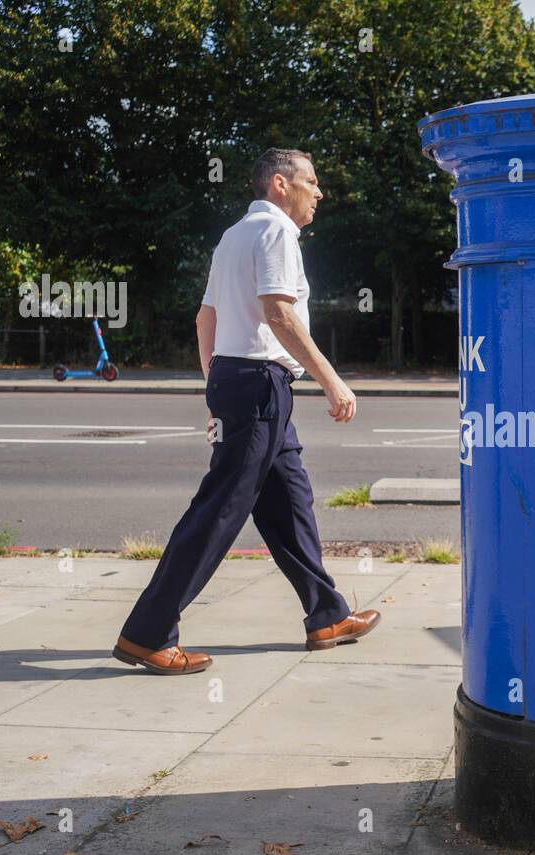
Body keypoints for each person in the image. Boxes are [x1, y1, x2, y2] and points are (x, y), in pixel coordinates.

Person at [112, 148, 380, 675]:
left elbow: (204, 318)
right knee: (219, 510)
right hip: (260, 384)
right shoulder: (277, 232)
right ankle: (147, 633)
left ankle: (326, 614)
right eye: (312, 182)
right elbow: (278, 313)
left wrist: (216, 385)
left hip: (243, 382)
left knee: (291, 503)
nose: (319, 192)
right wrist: (333, 382)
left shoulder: (233, 235)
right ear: (280, 184)